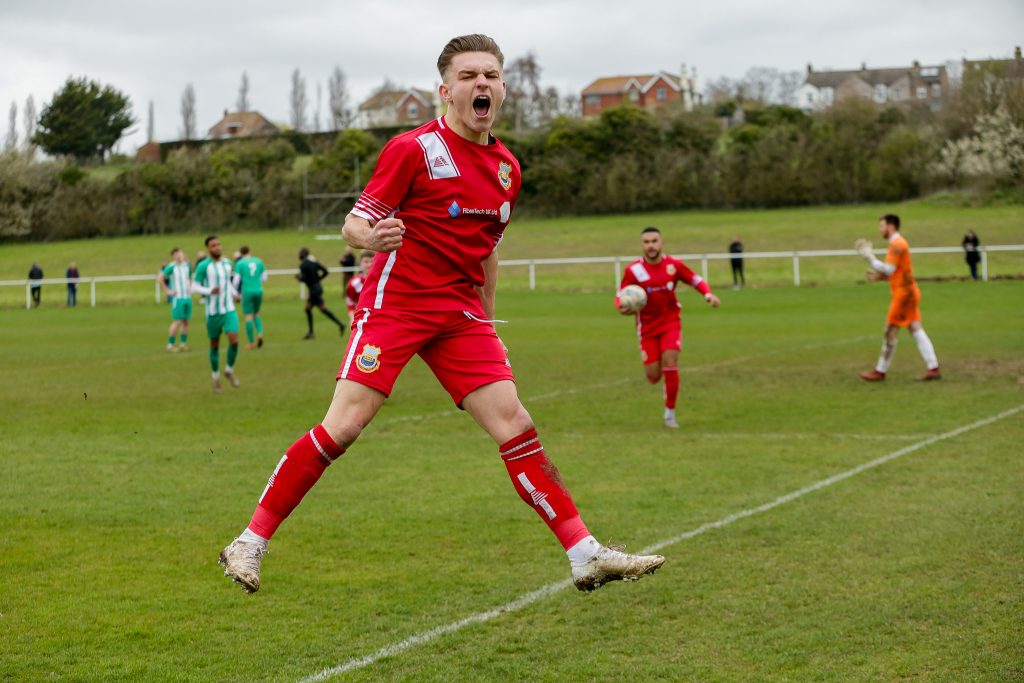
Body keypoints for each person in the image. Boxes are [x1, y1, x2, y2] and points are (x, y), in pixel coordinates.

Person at [219, 33, 664, 595]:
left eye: (491, 75)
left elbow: (488, 252)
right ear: (446, 90)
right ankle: (250, 541)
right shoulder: (412, 149)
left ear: (502, 88)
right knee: (346, 425)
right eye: (469, 75)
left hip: (459, 311)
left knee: (515, 424)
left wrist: (490, 324)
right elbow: (355, 224)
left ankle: (584, 553)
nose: (482, 84)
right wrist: (371, 237)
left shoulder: (507, 169)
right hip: (397, 303)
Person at [617, 227, 721, 429]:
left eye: (654, 241)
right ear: (642, 245)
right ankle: (662, 373)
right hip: (647, 327)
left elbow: (694, 279)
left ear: (661, 243)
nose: (651, 245)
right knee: (654, 376)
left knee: (671, 360)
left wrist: (708, 294)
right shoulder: (633, 271)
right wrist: (621, 307)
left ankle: (669, 413)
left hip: (670, 322)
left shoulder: (673, 265)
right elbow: (620, 294)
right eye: (646, 242)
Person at [856, 214, 941, 382]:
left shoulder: (897, 244)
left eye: (882, 226)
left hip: (904, 295)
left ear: (891, 226)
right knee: (915, 328)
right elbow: (896, 272)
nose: (880, 229)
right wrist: (880, 277)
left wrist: (870, 257)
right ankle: (933, 368)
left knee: (890, 331)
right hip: (908, 292)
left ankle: (880, 371)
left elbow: (888, 269)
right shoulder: (896, 243)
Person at [192, 235, 242, 392]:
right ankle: (215, 378)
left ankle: (228, 369)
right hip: (213, 313)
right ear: (208, 248)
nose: (217, 247)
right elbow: (193, 287)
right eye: (213, 245)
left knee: (234, 340)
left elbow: (227, 283)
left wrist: (235, 293)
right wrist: (209, 291)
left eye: (219, 244)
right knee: (214, 345)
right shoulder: (203, 266)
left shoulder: (227, 263)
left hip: (229, 309)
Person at [297, 247, 346, 339]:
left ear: (302, 254)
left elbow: (303, 278)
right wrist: (319, 279)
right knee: (319, 309)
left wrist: (298, 277)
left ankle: (311, 333)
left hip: (314, 291)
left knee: (309, 309)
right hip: (318, 288)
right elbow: (326, 271)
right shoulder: (314, 262)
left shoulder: (303, 265)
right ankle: (340, 325)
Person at [234, 245, 267, 349]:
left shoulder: (240, 263)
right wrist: (257, 281)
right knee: (256, 314)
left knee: (248, 316)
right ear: (249, 251)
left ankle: (252, 342)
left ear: (241, 253)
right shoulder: (258, 261)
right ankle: (260, 334)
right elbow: (265, 277)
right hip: (259, 290)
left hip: (247, 291)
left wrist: (236, 293)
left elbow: (236, 280)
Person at [160, 248, 192, 352]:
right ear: (174, 257)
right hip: (177, 299)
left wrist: (191, 288)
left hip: (187, 297)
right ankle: (170, 345)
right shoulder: (171, 267)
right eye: (176, 255)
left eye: (180, 254)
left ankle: (183, 344)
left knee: (186, 321)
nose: (179, 256)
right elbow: (160, 278)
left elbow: (190, 278)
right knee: (177, 321)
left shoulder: (187, 266)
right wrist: (167, 290)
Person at [344, 250, 375, 318]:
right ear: (360, 264)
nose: (369, 264)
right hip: (361, 320)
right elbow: (350, 302)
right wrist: (352, 318)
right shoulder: (353, 284)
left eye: (372, 261)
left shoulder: (383, 282)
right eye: (366, 261)